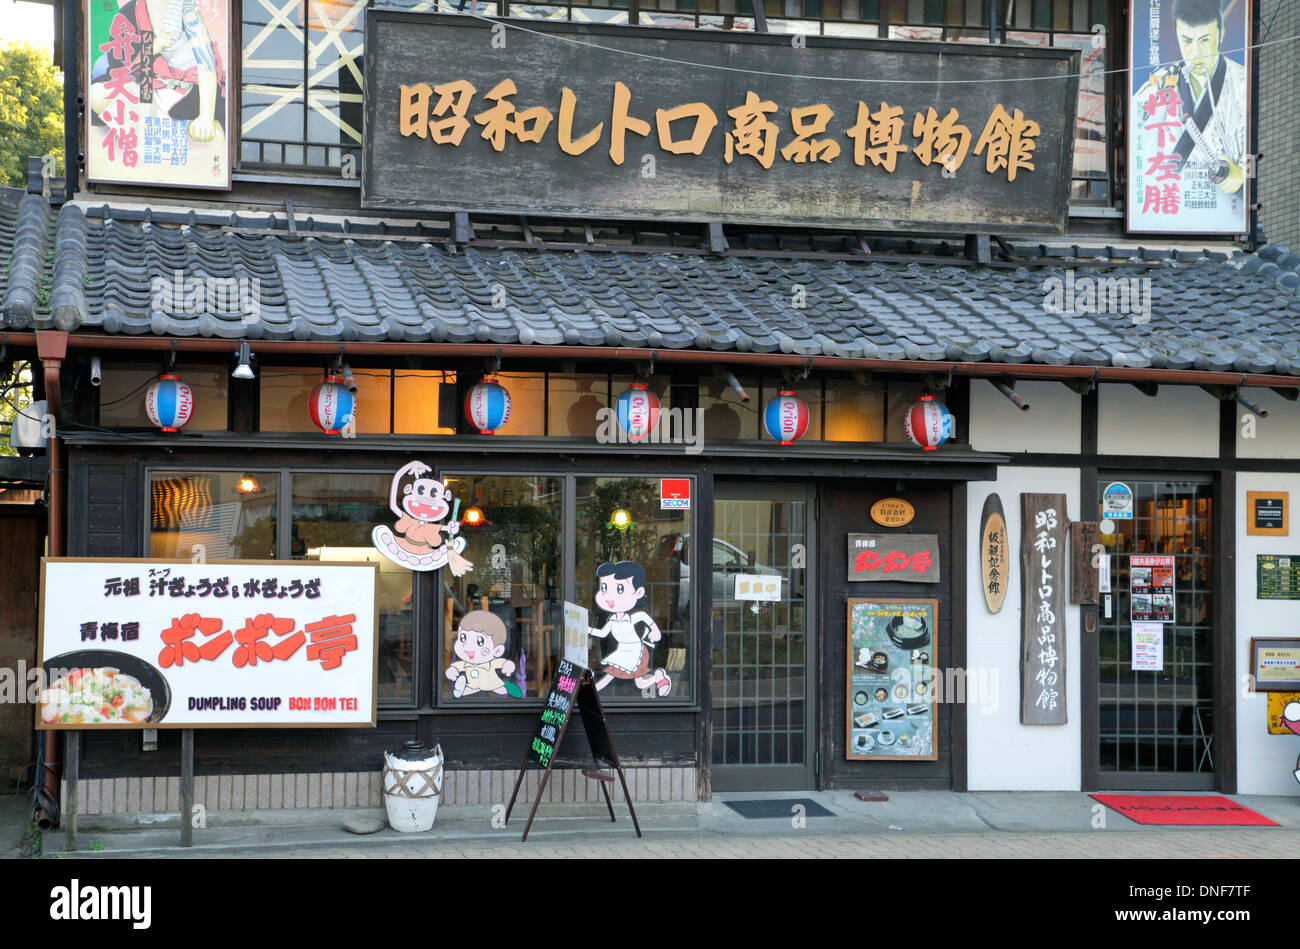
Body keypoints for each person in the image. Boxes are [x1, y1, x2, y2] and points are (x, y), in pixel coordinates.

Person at [1135, 0, 1247, 196]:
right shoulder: (1157, 85)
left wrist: (1242, 174)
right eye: (1187, 41)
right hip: (1167, 202)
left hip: (1223, 207)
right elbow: (1136, 147)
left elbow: (1257, 150)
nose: (1195, 53)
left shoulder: (1242, 82)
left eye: (1204, 40)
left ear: (1221, 35)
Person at [89, 0, 225, 144]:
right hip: (150, 87)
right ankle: (153, 138)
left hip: (191, 90)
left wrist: (206, 116)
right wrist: (153, 47)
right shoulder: (131, 12)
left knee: (214, 135)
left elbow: (206, 64)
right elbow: (120, 68)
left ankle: (156, 138)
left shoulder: (187, 10)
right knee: (96, 93)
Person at [588, 561, 672, 697]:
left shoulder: (631, 618)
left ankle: (589, 693)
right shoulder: (612, 620)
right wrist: (589, 630)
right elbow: (603, 633)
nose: (609, 595)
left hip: (636, 652)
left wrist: (655, 630)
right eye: (604, 588)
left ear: (638, 593)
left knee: (624, 679)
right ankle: (658, 677)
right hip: (622, 651)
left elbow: (646, 618)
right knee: (621, 678)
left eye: (619, 589)